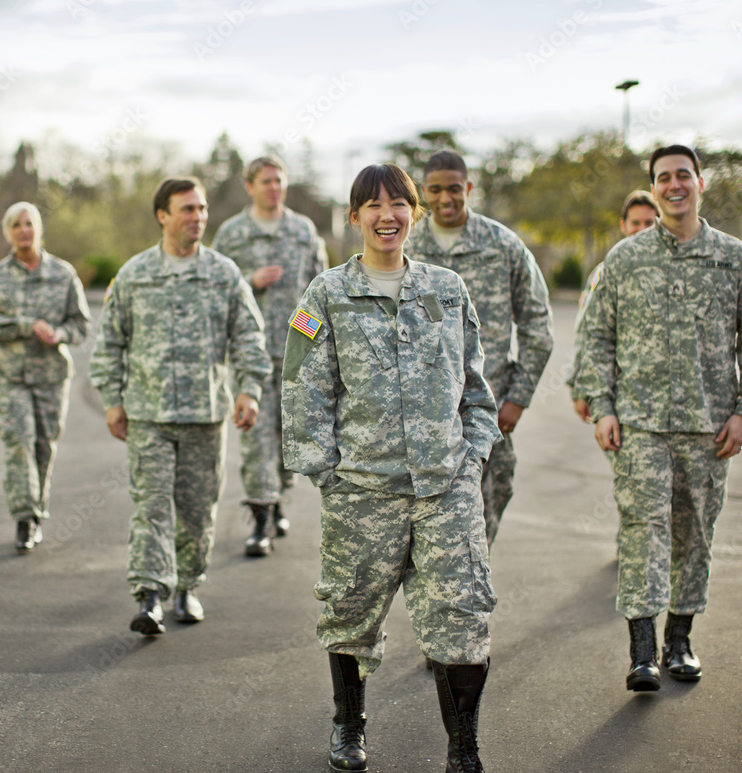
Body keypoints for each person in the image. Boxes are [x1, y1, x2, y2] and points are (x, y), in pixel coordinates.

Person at [282, 163, 500, 773]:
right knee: (350, 611)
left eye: (399, 204)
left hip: (445, 488)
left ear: (415, 214)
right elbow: (302, 385)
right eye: (373, 206)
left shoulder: (447, 289)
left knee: (462, 615)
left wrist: (474, 454)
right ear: (353, 218)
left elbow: (475, 385)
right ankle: (348, 726)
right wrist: (327, 472)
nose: (388, 215)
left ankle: (464, 748)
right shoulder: (325, 294)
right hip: (363, 491)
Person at [574, 145, 742, 691]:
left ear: (700, 183)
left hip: (709, 428)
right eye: (662, 177)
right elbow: (596, 333)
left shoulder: (733, 258)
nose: (673, 185)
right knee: (643, 532)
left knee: (694, 535)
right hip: (639, 426)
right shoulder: (625, 258)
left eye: (682, 174)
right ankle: (642, 650)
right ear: (654, 187)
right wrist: (603, 406)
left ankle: (679, 641)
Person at [90, 177, 271, 635]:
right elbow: (109, 342)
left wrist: (249, 390)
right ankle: (150, 594)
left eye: (203, 208)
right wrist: (112, 400)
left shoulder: (224, 274)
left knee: (196, 510)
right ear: (163, 216)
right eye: (187, 209)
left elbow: (249, 337)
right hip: (148, 415)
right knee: (151, 506)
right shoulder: (134, 275)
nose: (198, 218)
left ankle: (188, 585)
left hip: (205, 416)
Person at [407, 149, 553, 547]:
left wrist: (517, 399)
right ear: (424, 192)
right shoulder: (405, 244)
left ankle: (470, 597)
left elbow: (538, 327)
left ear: (468, 187)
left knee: (487, 509)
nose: (445, 199)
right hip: (419, 413)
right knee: (420, 521)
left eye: (454, 189)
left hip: (487, 411)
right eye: (434, 190)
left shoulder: (503, 246)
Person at [212, 155, 326, 556]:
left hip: (297, 352)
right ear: (250, 187)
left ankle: (277, 495)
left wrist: (315, 345)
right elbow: (215, 287)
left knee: (287, 440)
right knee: (256, 439)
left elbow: (320, 291)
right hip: (250, 353)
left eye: (279, 180)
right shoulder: (232, 234)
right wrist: (250, 280)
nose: (273, 188)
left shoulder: (302, 230)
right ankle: (260, 517)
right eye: (265, 182)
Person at [0, 202, 91, 553]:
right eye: (16, 225)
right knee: (19, 441)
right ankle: (24, 518)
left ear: (39, 229)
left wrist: (59, 334)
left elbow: (82, 324)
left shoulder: (64, 274)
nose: (24, 230)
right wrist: (24, 326)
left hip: (51, 376)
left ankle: (37, 512)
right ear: (8, 232)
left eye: (29, 223)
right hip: (8, 375)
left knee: (43, 444)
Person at [569, 190, 659, 422]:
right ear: (623, 225)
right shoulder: (607, 271)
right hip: (620, 393)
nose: (641, 229)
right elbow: (587, 331)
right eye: (635, 223)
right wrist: (581, 389)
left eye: (649, 223)